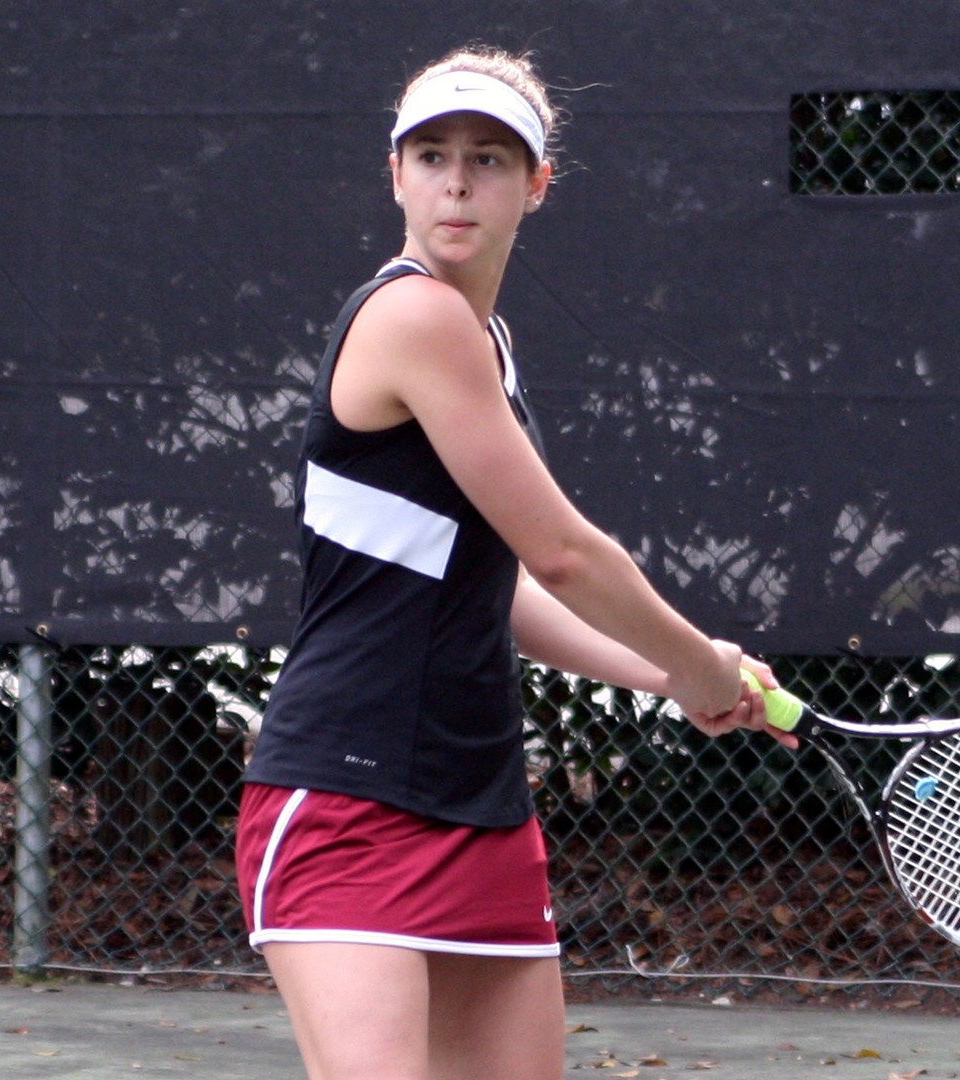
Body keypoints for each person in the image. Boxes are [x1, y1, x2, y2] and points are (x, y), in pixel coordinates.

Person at [234, 45, 796, 1080]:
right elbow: (567, 556)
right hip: (344, 800)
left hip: (478, 804)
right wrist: (699, 665)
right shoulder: (418, 317)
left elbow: (504, 591)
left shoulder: (487, 346)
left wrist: (677, 672)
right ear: (394, 175)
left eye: (490, 159)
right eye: (433, 155)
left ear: (537, 186)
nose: (457, 181)